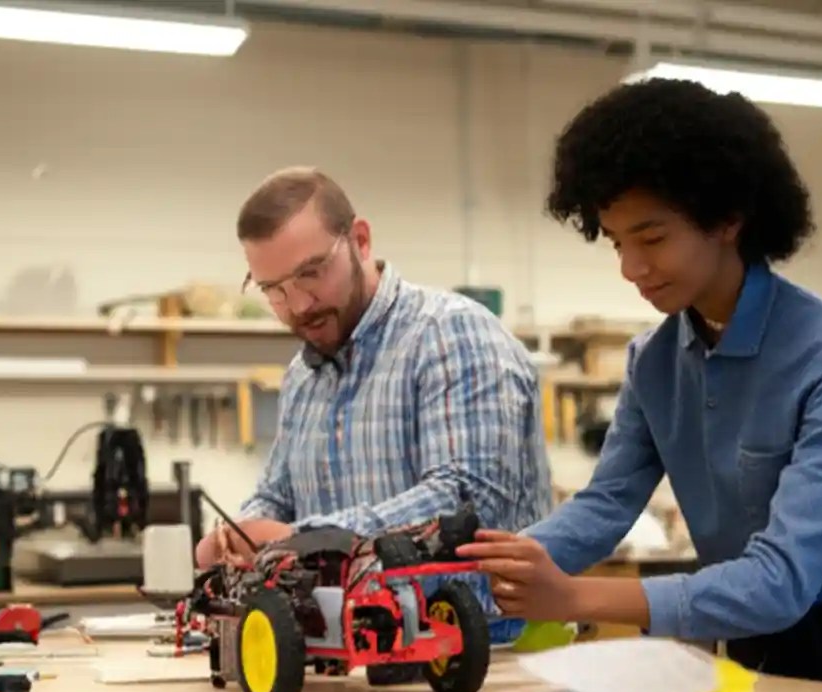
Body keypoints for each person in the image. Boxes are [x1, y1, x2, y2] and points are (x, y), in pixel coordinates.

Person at [456, 78, 822, 692]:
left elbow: (781, 579)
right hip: (754, 627)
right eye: (617, 242)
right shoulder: (654, 362)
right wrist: (479, 572)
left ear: (728, 217)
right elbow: (605, 506)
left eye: (652, 239)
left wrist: (571, 594)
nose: (631, 269)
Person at [195, 166, 554, 662]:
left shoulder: (451, 336)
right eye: (272, 288)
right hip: (358, 654)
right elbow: (279, 494)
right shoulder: (304, 375)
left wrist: (304, 541)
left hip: (482, 654)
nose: (296, 304)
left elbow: (467, 504)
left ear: (360, 241)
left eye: (311, 272)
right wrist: (237, 535)